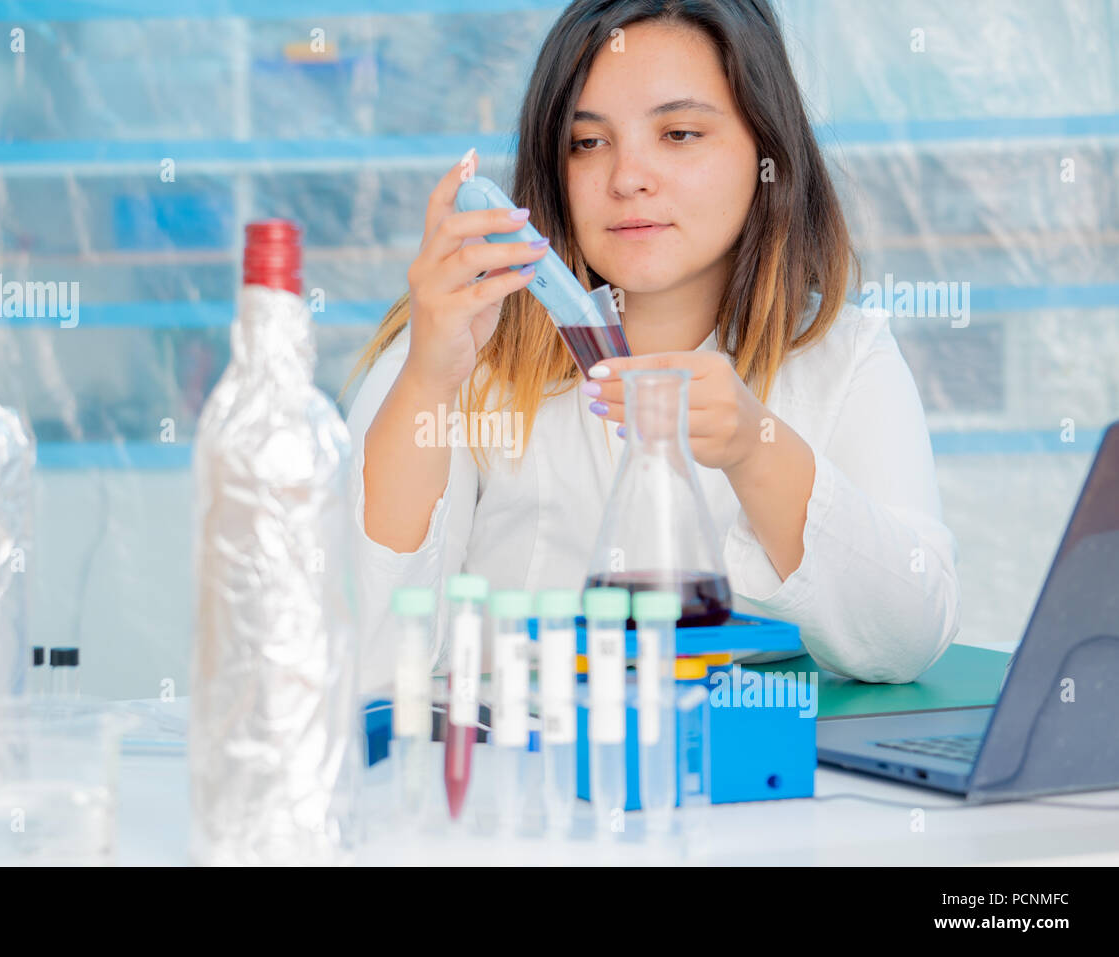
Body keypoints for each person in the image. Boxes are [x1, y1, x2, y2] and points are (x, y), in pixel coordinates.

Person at [341, 0, 960, 694]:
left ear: (767, 150)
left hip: (755, 795)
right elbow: (364, 649)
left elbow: (909, 637)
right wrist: (428, 381)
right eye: (587, 142)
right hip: (513, 787)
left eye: (680, 133)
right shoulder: (457, 347)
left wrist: (756, 448)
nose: (627, 177)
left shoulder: (843, 355)